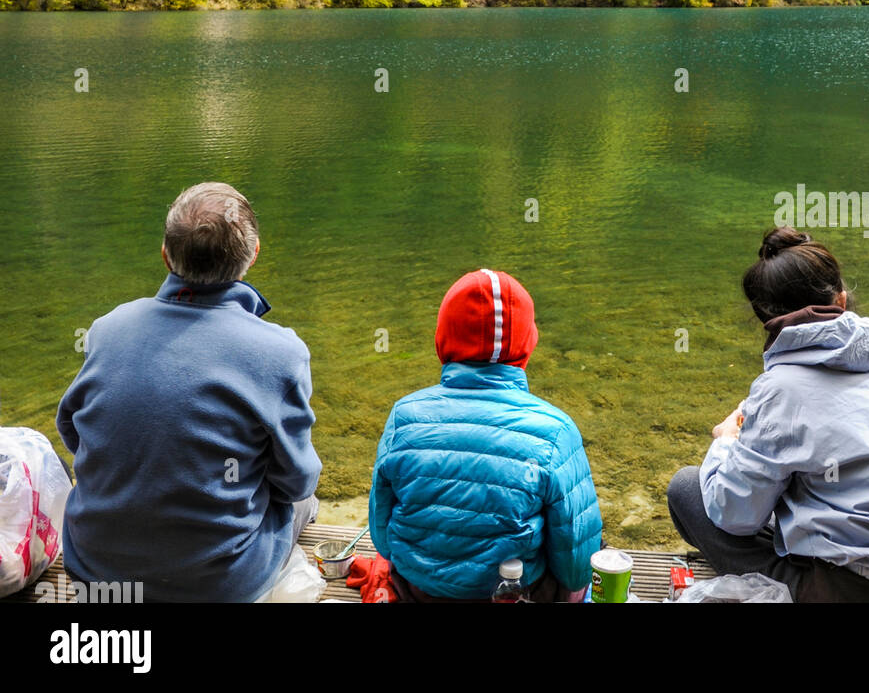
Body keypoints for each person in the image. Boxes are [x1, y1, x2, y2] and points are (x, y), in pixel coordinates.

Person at [667, 228, 869, 603]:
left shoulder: (780, 390)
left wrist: (726, 443)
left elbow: (735, 516)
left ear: (765, 320)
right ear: (841, 300)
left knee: (687, 490)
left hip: (858, 594)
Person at [56, 182, 321, 602]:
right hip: (216, 587)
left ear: (165, 254)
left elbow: (73, 432)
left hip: (96, 573)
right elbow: (296, 480)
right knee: (305, 504)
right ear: (253, 255)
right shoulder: (280, 352)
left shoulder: (108, 328)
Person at [369, 268, 602, 602]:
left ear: (442, 339)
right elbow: (577, 565)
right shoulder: (556, 430)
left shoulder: (403, 416)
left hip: (418, 592)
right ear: (528, 342)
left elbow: (382, 536)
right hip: (515, 594)